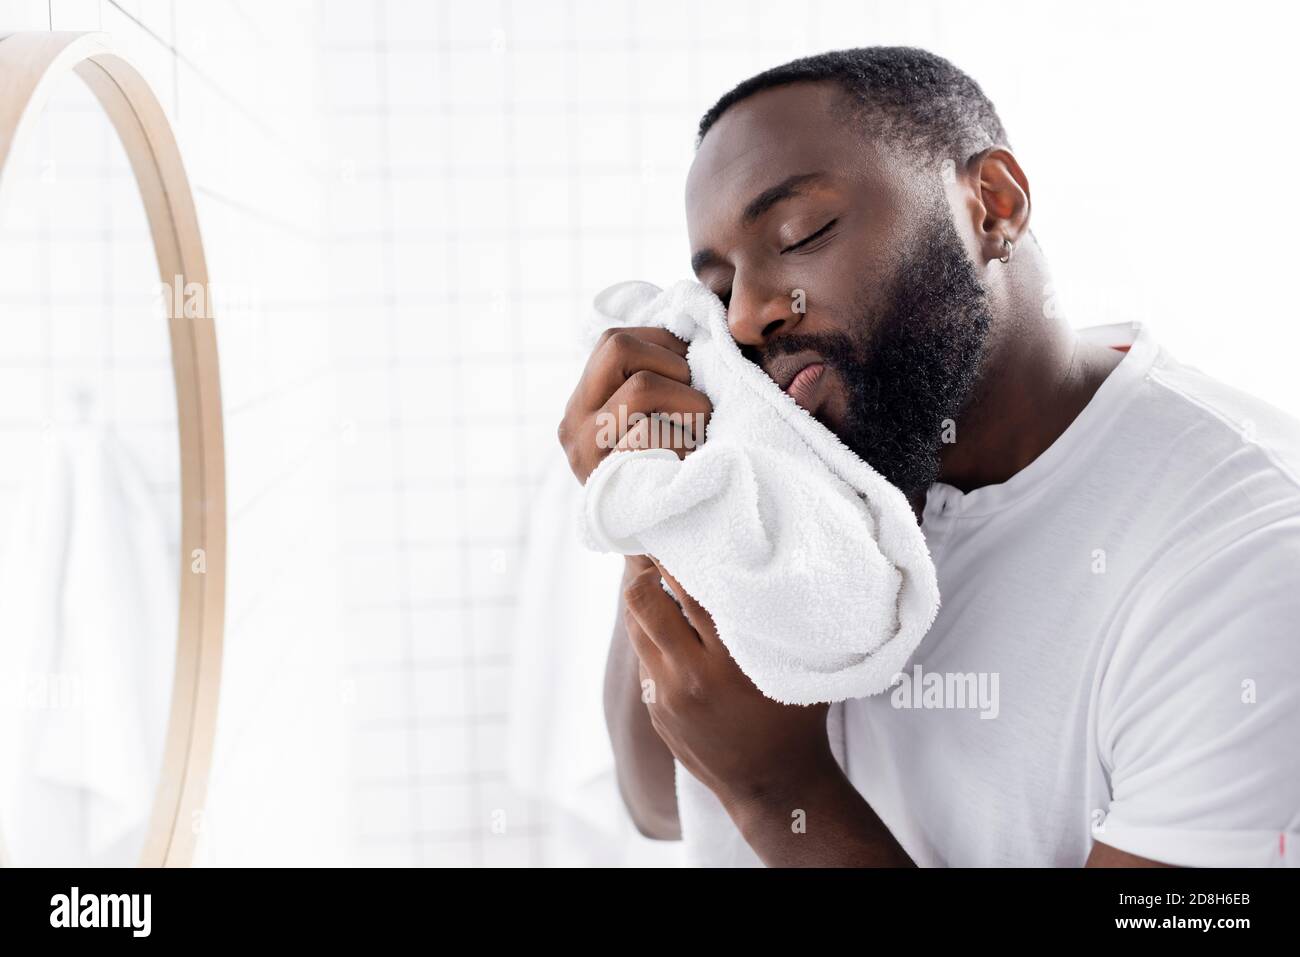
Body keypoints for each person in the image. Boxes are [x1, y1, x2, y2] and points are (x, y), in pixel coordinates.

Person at [556, 47, 1300, 867]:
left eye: (801, 234)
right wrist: (661, 502)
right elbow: (658, 800)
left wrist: (779, 788)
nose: (744, 319)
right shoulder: (804, 471)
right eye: (721, 287)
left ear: (994, 205)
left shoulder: (1246, 556)